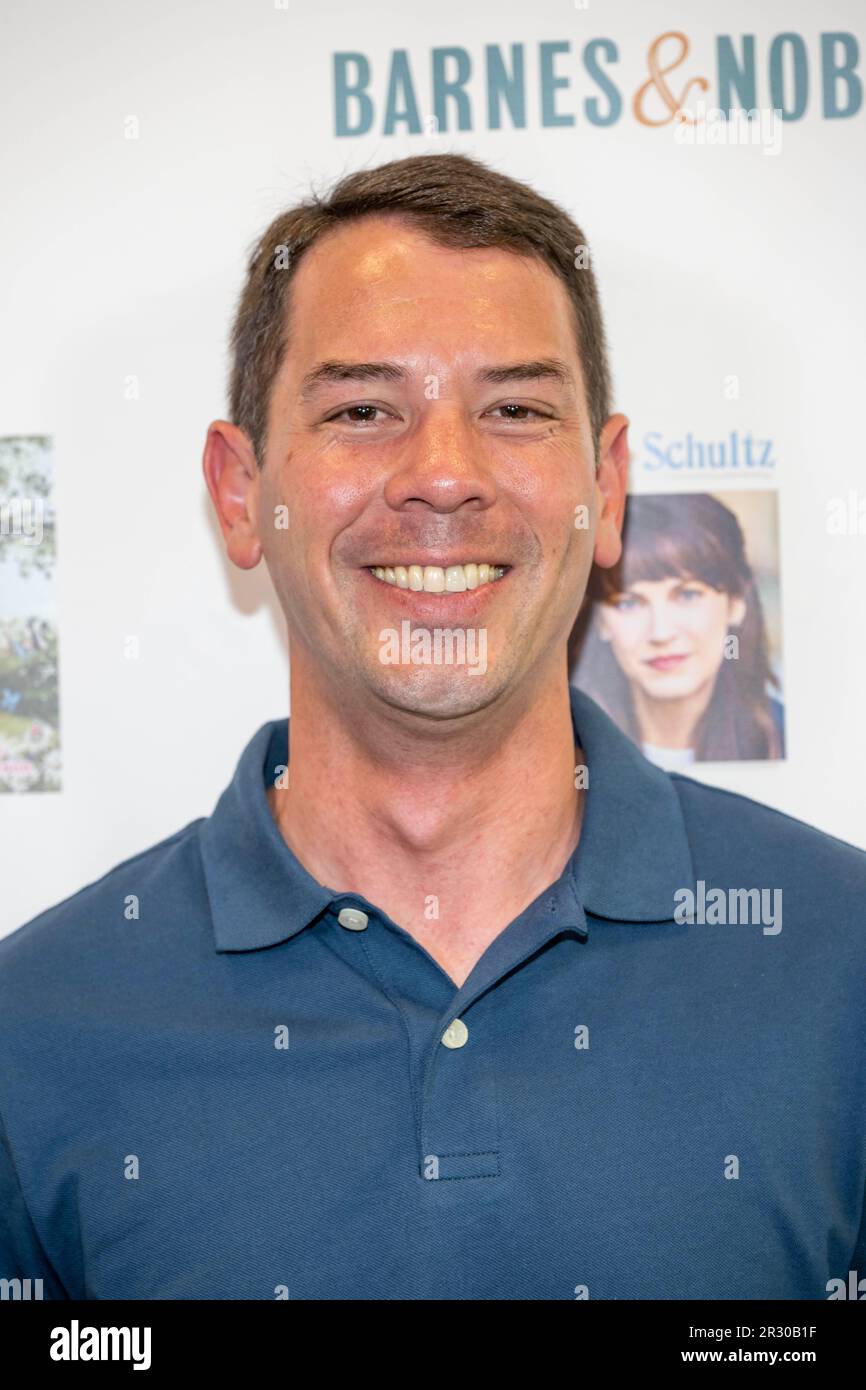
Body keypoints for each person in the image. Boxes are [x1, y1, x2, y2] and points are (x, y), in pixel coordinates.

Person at [1, 153, 864, 1302]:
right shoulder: (36, 1027)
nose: (443, 475)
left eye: (513, 408)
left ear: (605, 491)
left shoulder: (840, 963)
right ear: (236, 490)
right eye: (362, 409)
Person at [574, 492, 785, 769]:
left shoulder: (788, 736)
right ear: (600, 621)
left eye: (687, 596)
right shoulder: (570, 753)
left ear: (735, 603)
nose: (661, 633)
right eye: (629, 603)